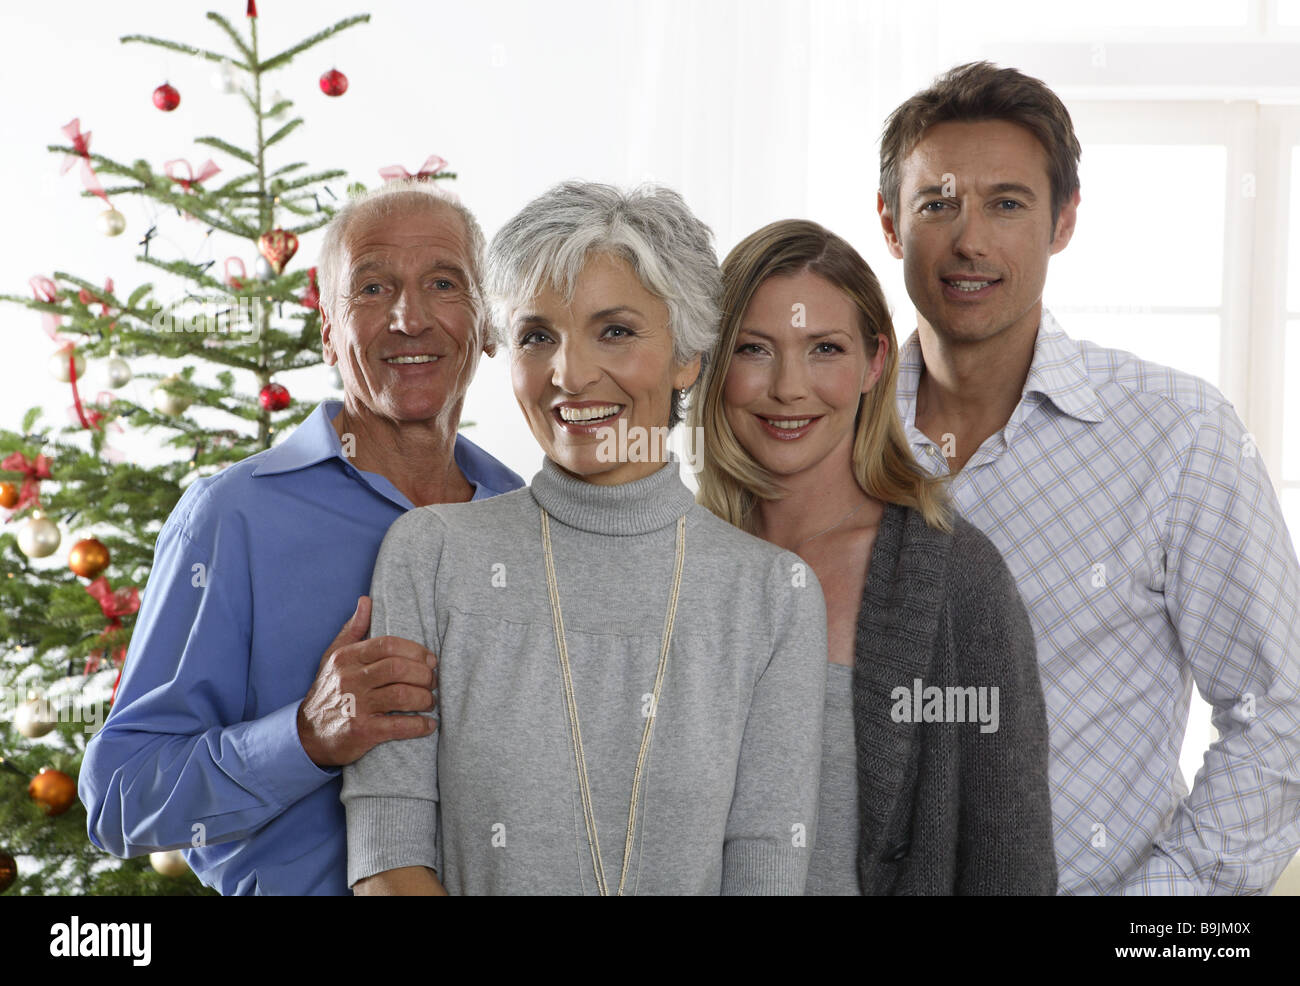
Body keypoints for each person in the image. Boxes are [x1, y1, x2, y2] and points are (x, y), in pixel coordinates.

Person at [877, 60, 1300, 894]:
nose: (971, 239)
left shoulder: (1178, 433)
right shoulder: (833, 434)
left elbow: (1280, 713)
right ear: (891, 224)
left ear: (1063, 220)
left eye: (1008, 203)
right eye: (938, 203)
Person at [341, 182, 827, 895]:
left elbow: (767, 866)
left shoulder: (773, 595)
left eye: (616, 331)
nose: (569, 374)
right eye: (538, 336)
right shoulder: (433, 554)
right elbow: (388, 850)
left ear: (688, 355)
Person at [78, 180, 524, 895]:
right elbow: (119, 797)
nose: (410, 318)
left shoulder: (525, 519)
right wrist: (306, 737)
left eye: (444, 283)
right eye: (373, 289)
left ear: (487, 326)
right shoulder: (233, 517)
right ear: (328, 337)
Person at [690, 218, 1055, 895]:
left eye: (824, 349)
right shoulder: (672, 562)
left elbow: (1012, 863)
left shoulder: (955, 579)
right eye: (754, 349)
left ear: (875, 363)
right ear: (709, 363)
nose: (789, 388)